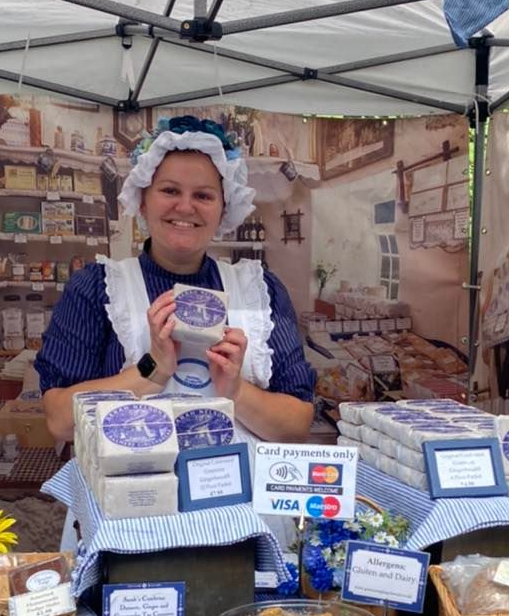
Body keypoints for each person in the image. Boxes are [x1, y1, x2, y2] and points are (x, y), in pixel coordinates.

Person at [37, 116, 315, 446]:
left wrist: (235, 390)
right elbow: (60, 421)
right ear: (143, 198)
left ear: (225, 208)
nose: (185, 207)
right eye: (170, 190)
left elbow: (297, 424)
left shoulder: (260, 290)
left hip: (236, 494)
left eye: (204, 195)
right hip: (134, 495)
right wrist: (153, 369)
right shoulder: (97, 289)